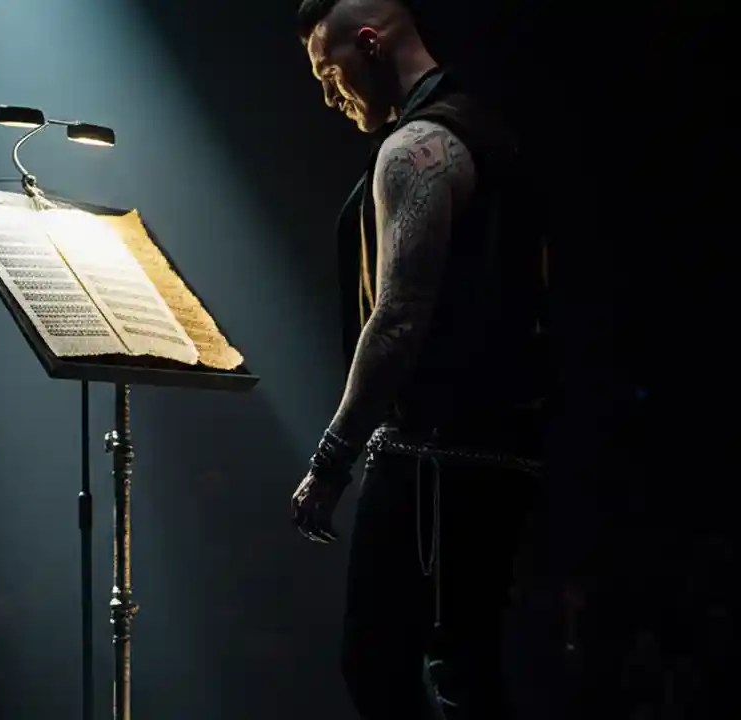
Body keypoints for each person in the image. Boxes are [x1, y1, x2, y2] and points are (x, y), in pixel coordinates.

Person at [288, 0, 550, 717]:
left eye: (327, 70)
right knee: (465, 672)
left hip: (435, 458)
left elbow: (398, 319)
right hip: (504, 454)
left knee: (383, 667)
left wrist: (330, 461)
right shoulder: (488, 129)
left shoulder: (415, 149)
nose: (327, 93)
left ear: (368, 43)